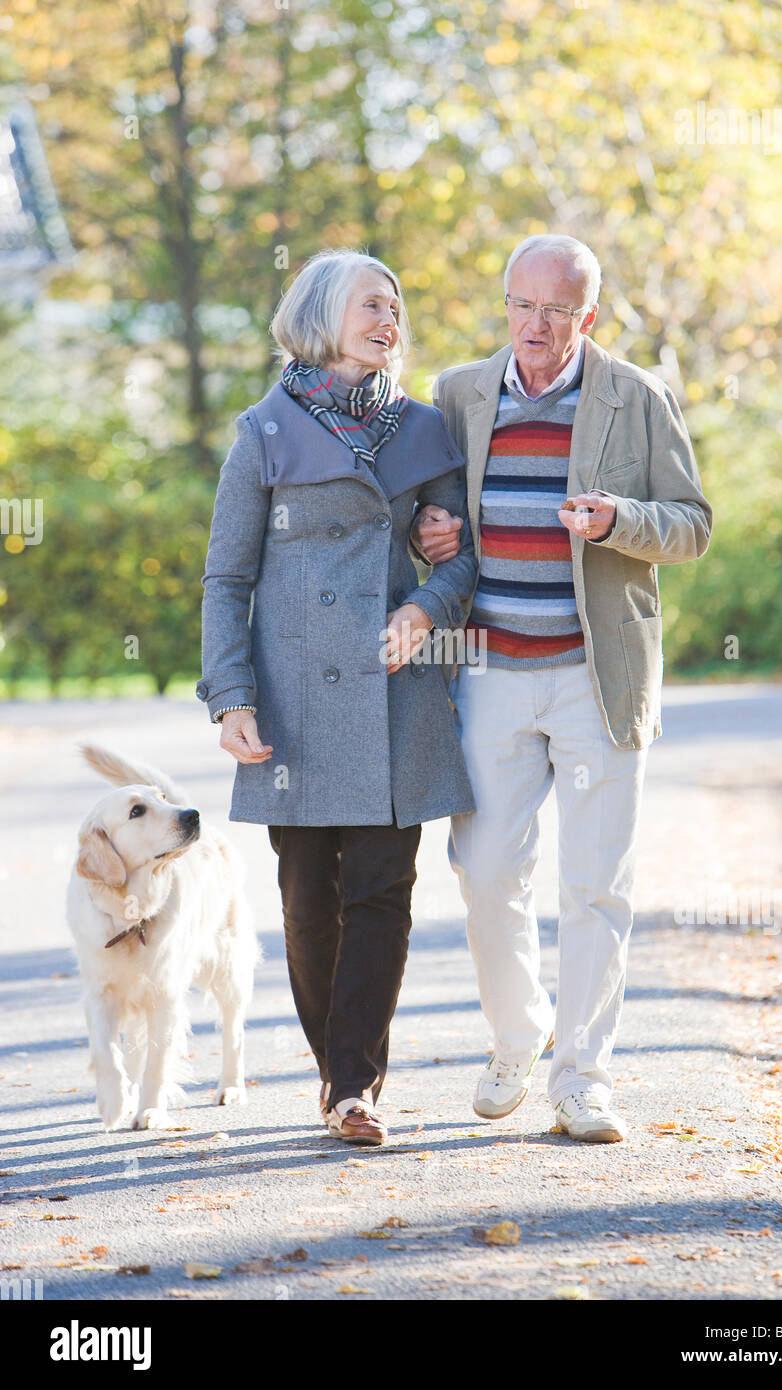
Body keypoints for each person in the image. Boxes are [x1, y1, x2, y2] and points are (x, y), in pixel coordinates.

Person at [411, 233, 712, 1142]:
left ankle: (583, 1077)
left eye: (557, 310)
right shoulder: (458, 393)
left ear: (588, 317)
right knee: (486, 871)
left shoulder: (637, 396)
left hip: (598, 677)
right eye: (522, 305)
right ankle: (520, 1032)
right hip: (492, 672)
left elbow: (693, 525)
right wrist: (432, 534)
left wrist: (622, 519)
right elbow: (434, 518)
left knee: (596, 885)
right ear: (505, 304)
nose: (536, 325)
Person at [196, 249, 476, 1146]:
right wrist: (230, 694)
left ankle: (356, 1083)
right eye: (371, 304)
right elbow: (226, 576)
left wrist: (428, 606)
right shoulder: (265, 432)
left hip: (395, 687)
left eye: (396, 306)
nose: (389, 319)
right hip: (296, 698)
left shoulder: (424, 428)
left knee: (384, 889)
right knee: (307, 893)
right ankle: (334, 1070)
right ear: (321, 314)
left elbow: (460, 550)